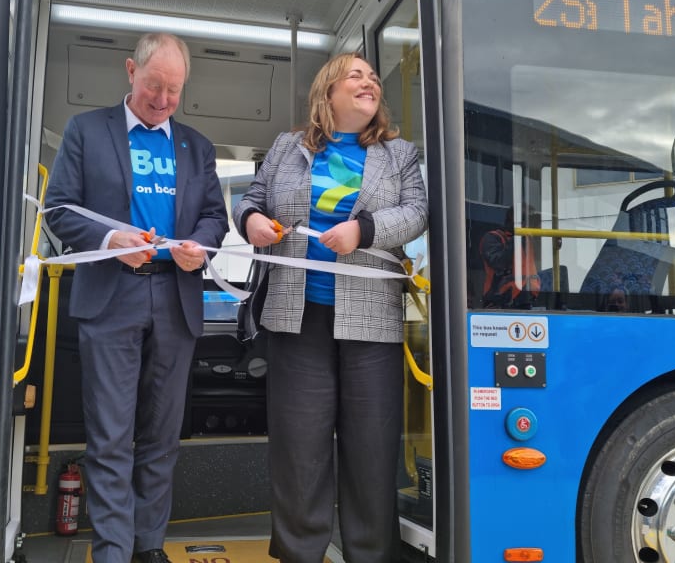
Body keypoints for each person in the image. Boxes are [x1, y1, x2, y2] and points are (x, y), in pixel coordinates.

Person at [233, 52, 428, 563]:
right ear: (329, 92)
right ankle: (301, 554)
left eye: (372, 79)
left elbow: (417, 213)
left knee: (370, 451)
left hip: (371, 320)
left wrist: (364, 230)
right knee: (300, 450)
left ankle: (370, 555)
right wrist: (251, 219)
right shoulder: (286, 146)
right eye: (355, 76)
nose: (369, 83)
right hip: (297, 318)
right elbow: (251, 198)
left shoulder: (400, 154)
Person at [44, 32, 228, 563]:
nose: (164, 100)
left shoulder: (199, 146)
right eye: (154, 85)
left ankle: (148, 548)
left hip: (175, 298)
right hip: (111, 298)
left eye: (174, 90)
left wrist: (203, 247)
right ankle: (112, 552)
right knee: (109, 439)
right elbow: (59, 210)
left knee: (161, 437)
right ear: (131, 71)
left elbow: (215, 217)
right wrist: (109, 242)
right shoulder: (85, 131)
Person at [479, 207, 541, 308]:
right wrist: (518, 237)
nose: (529, 224)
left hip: (528, 298)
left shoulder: (528, 239)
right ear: (514, 218)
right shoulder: (492, 238)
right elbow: (499, 263)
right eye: (527, 219)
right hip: (500, 302)